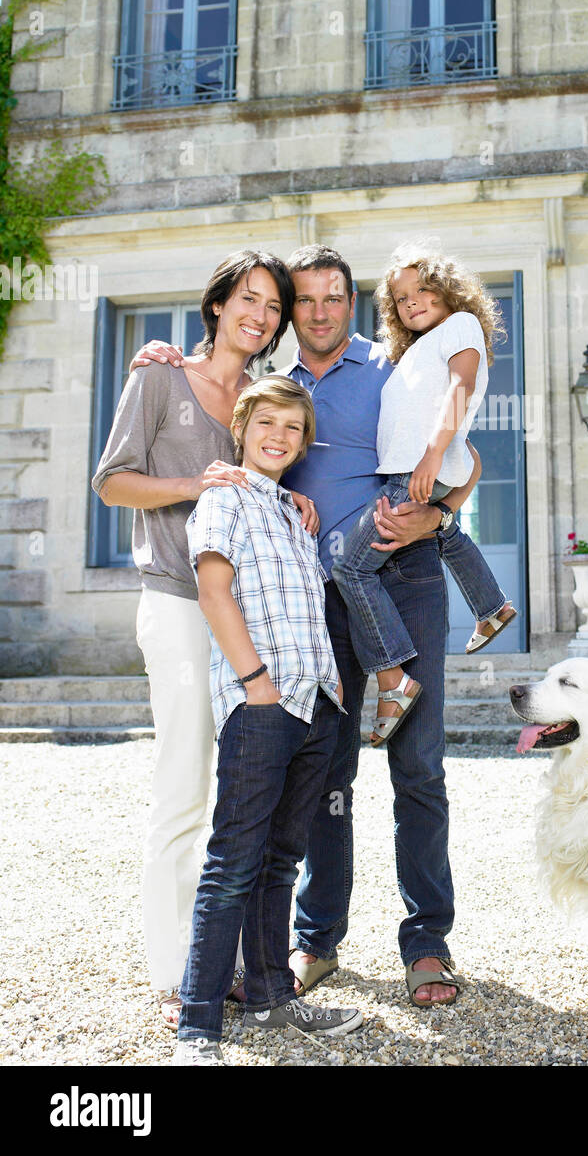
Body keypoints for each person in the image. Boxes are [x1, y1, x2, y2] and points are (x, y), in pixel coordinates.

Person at [129, 245, 477, 1006]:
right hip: (313, 595)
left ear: (354, 304)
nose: (317, 312)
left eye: (333, 298)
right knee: (323, 776)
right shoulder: (267, 384)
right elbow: (208, 399)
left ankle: (425, 945)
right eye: (304, 300)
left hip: (403, 581)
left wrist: (441, 514)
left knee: (417, 768)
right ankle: (315, 941)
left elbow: (463, 454)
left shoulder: (395, 367)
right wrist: (165, 356)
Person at [92, 251, 318, 1028]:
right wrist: (198, 482)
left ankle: (235, 964)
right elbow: (112, 480)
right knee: (183, 785)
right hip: (180, 605)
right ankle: (176, 973)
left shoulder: (257, 396)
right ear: (217, 304)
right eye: (247, 298)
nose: (260, 314)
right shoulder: (157, 376)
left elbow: (264, 471)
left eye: (273, 307)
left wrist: (294, 505)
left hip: (250, 618)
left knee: (243, 798)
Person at [175, 376, 361, 1066]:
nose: (279, 437)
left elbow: (305, 608)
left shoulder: (291, 511)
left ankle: (271, 998)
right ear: (243, 429)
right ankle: (197, 1026)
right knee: (234, 860)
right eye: (267, 425)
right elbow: (213, 589)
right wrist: (254, 682)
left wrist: (334, 687)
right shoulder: (223, 498)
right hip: (262, 705)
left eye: (292, 428)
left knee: (282, 858)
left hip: (316, 706)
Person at [330, 245, 516, 747]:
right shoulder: (417, 348)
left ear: (449, 289)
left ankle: (394, 678)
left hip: (414, 469)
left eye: (423, 289)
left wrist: (434, 455)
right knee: (439, 531)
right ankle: (492, 606)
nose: (412, 301)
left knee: (350, 567)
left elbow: (462, 385)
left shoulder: (458, 326)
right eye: (401, 297)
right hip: (411, 467)